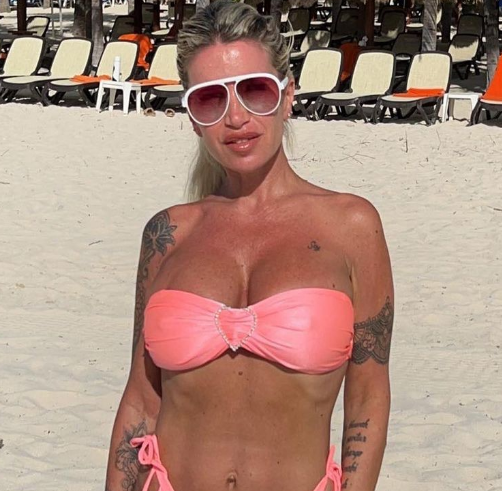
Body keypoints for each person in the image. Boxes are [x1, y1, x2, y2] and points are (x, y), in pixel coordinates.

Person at [104, 2, 394, 491]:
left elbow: (368, 397)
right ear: (192, 117)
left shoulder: (351, 226)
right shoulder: (168, 235)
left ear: (287, 96)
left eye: (255, 90)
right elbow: (141, 398)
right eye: (210, 99)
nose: (236, 117)